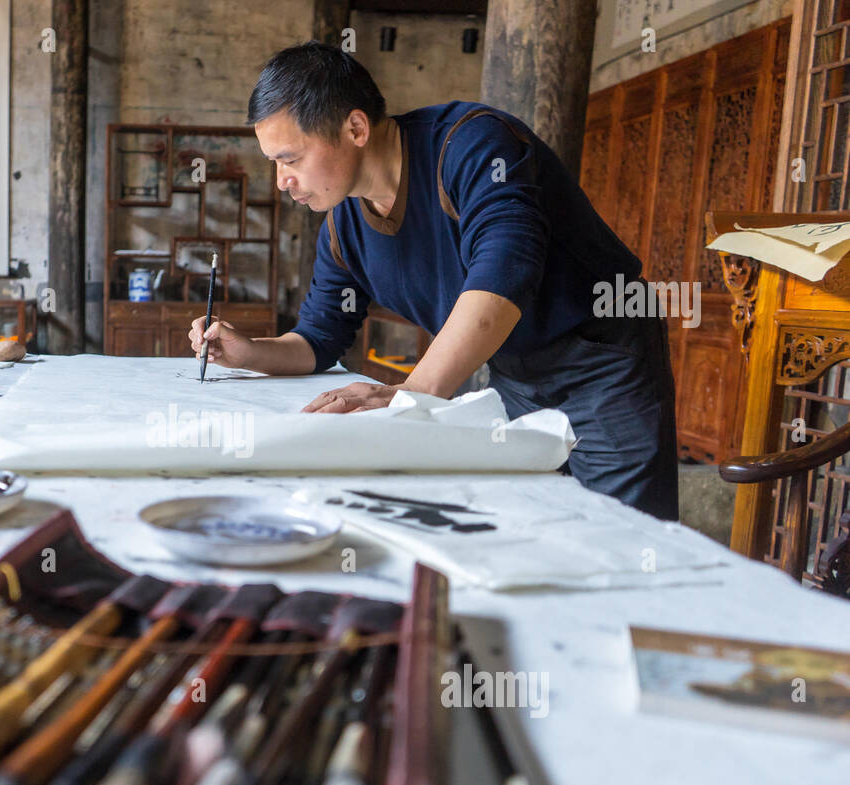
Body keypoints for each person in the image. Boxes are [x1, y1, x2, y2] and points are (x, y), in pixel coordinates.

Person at [190, 42, 679, 522]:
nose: (280, 180)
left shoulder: (472, 145)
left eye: (290, 159)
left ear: (355, 127)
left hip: (604, 359)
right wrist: (248, 352)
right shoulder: (344, 224)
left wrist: (415, 391)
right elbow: (320, 338)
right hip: (513, 373)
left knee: (627, 533)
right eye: (273, 162)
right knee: (542, 525)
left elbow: (506, 268)